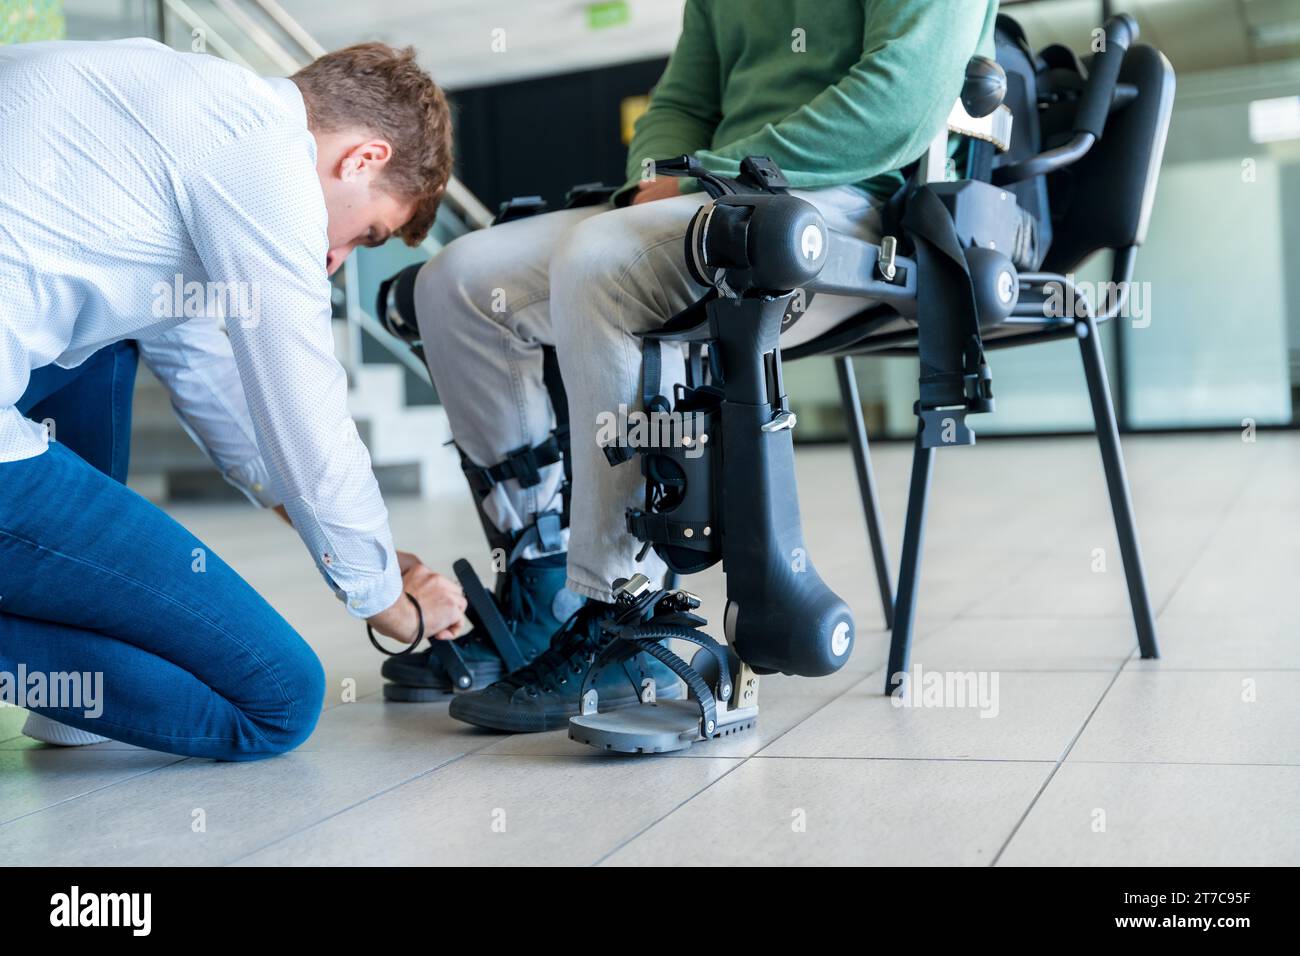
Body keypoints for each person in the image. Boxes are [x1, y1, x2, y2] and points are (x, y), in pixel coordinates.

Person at [397, 0, 999, 731]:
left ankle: (625, 618)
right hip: (717, 193)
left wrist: (698, 180)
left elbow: (898, 103)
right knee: (456, 281)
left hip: (848, 200)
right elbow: (682, 101)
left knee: (603, 262)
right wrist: (665, 178)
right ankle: (541, 584)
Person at [0, 38, 465, 759]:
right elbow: (304, 412)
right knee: (278, 699)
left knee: (114, 341)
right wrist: (390, 607)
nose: (337, 259)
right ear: (363, 159)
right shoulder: (265, 157)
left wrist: (371, 555)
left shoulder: (170, 101)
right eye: (364, 232)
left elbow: (218, 390)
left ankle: (75, 695)